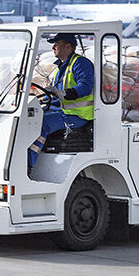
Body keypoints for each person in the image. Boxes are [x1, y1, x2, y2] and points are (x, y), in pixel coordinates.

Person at [28, 33, 94, 174]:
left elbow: (86, 87)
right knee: (31, 117)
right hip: (62, 111)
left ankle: (28, 165)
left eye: (56, 44)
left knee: (42, 123)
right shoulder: (61, 67)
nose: (53, 47)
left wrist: (64, 93)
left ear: (68, 46)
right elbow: (58, 93)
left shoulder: (81, 63)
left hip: (77, 115)